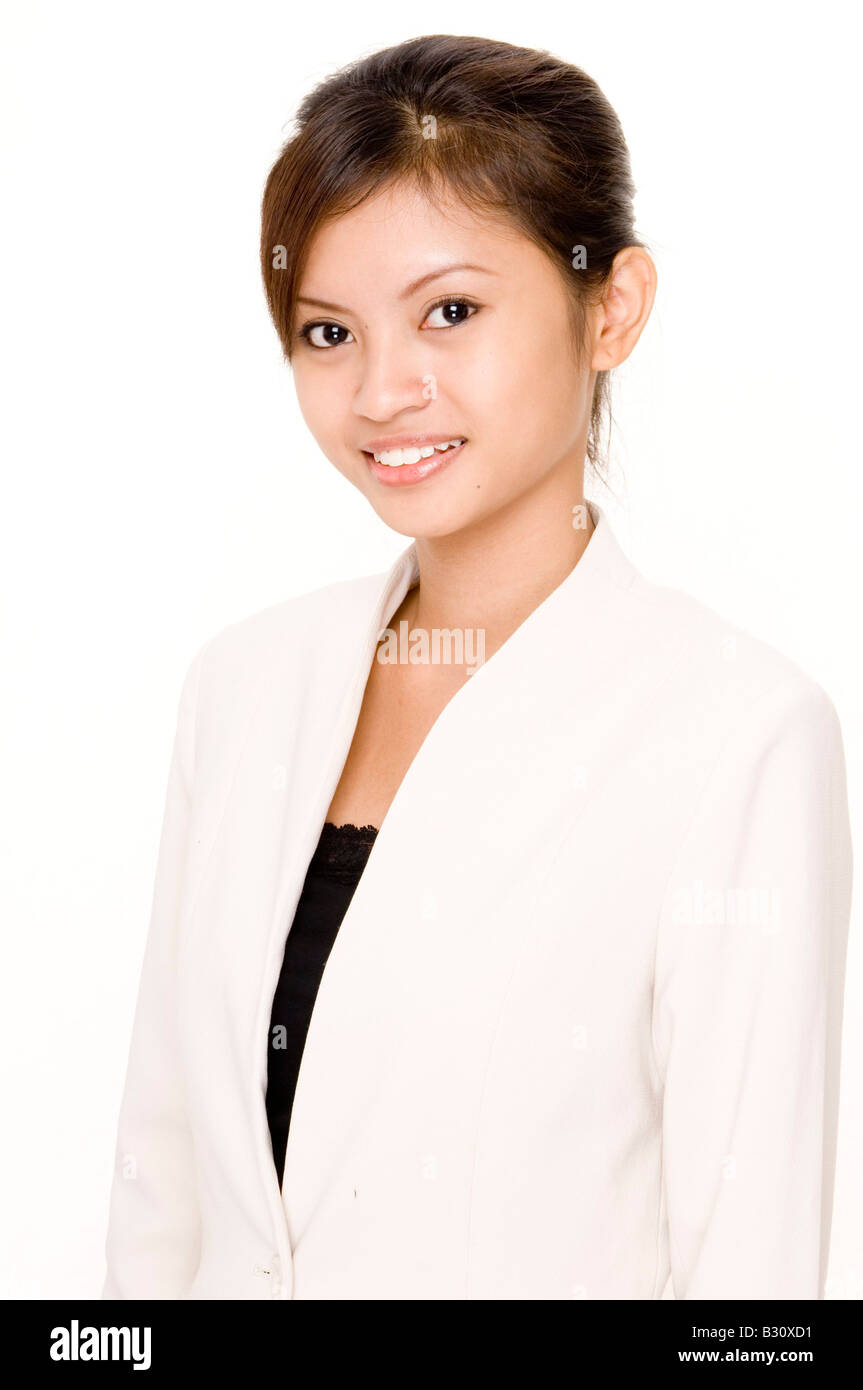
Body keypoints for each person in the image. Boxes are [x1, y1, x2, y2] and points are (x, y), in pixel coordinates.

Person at [102, 34, 852, 1301]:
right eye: (327, 329)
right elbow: (163, 1187)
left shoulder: (737, 739)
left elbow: (750, 1293)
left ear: (607, 307)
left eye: (450, 311)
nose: (382, 389)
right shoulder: (241, 690)